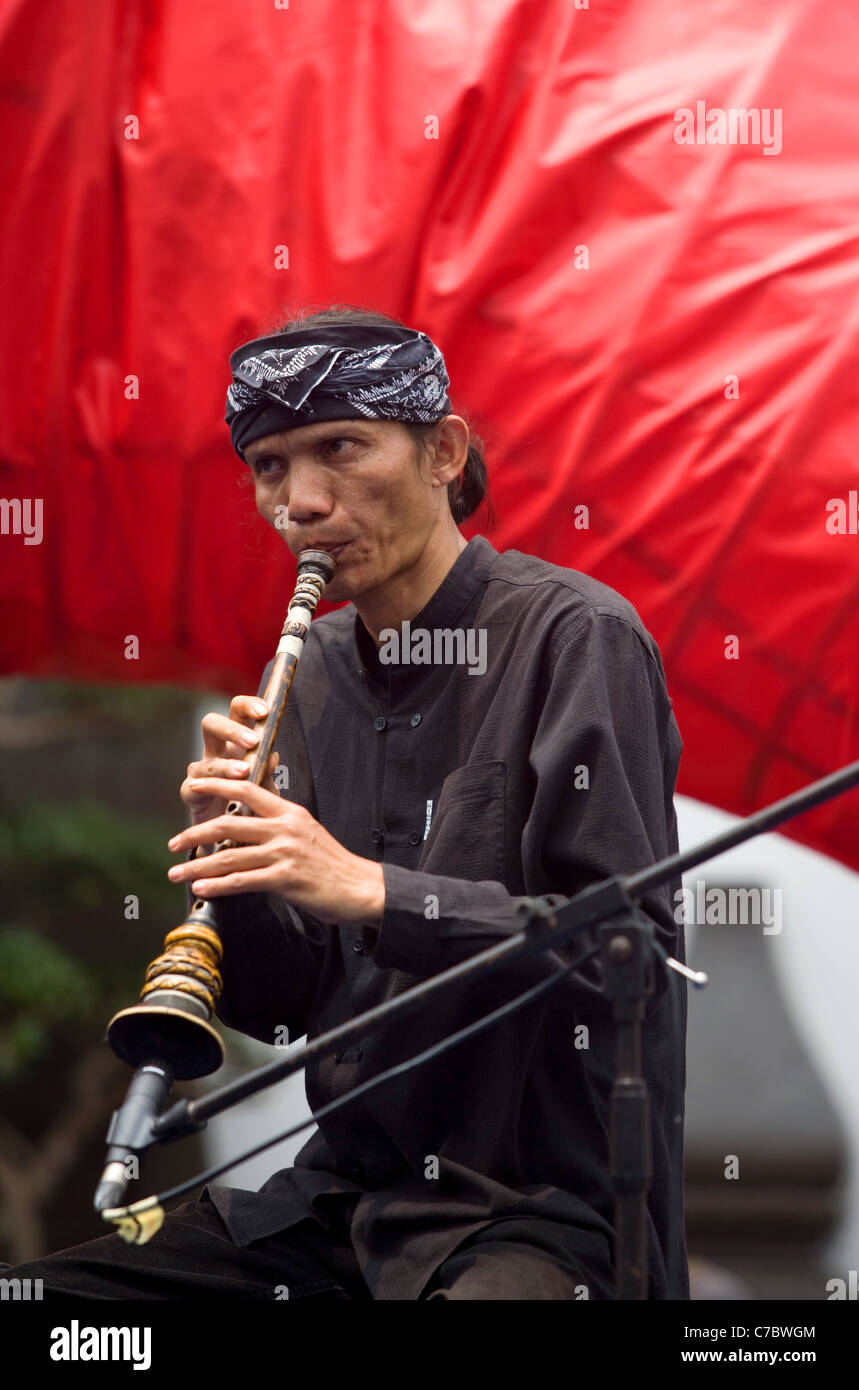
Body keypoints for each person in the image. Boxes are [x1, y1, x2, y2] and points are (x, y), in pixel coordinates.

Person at [5, 305, 689, 1300]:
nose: (304, 499)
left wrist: (370, 887)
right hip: (337, 1210)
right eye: (271, 466)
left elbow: (625, 954)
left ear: (442, 451)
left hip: (538, 1220)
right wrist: (232, 864)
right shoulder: (316, 672)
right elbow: (283, 1007)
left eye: (340, 447)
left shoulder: (576, 636)